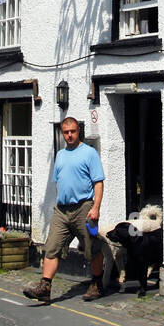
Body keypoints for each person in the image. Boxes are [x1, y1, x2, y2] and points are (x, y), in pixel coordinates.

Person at [23, 116, 105, 303]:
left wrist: (96, 207)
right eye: (66, 132)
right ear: (62, 133)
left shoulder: (89, 153)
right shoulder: (60, 155)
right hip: (62, 210)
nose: (69, 135)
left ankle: (97, 283)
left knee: (91, 248)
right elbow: (61, 182)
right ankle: (45, 287)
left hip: (84, 208)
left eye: (73, 132)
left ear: (78, 132)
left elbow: (98, 182)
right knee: (51, 247)